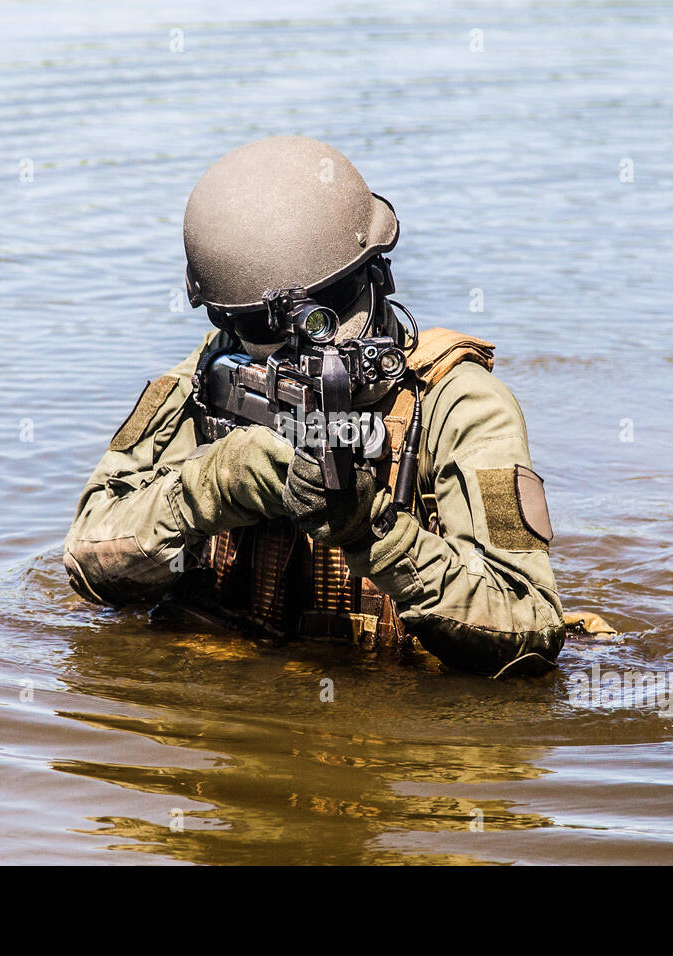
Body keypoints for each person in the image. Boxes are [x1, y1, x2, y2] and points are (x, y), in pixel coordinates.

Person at [64, 135, 604, 677]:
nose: (307, 349)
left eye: (331, 308)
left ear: (377, 274)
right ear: (224, 319)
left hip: (387, 725)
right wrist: (215, 484)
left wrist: (374, 532)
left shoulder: (462, 405)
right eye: (259, 329)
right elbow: (88, 560)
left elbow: (529, 625)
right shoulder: (211, 376)